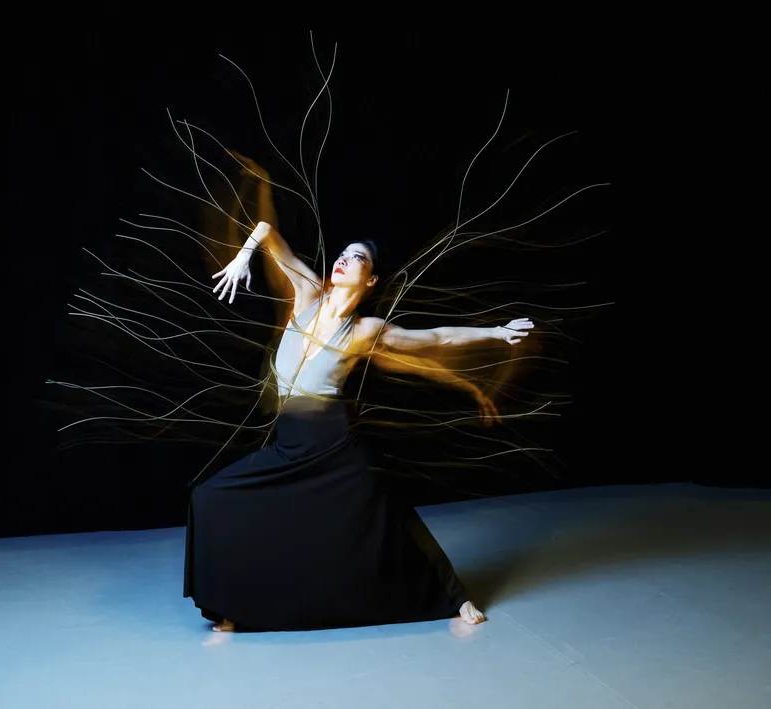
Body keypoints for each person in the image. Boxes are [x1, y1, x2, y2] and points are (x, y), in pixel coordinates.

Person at [183, 155, 533, 633]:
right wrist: (244, 253)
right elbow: (267, 230)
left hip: (333, 439)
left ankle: (452, 597)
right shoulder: (305, 292)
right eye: (342, 253)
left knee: (387, 512)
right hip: (291, 440)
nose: (343, 259)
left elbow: (436, 339)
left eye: (358, 258)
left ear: (369, 281)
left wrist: (496, 332)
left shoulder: (367, 330)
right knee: (212, 498)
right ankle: (232, 605)